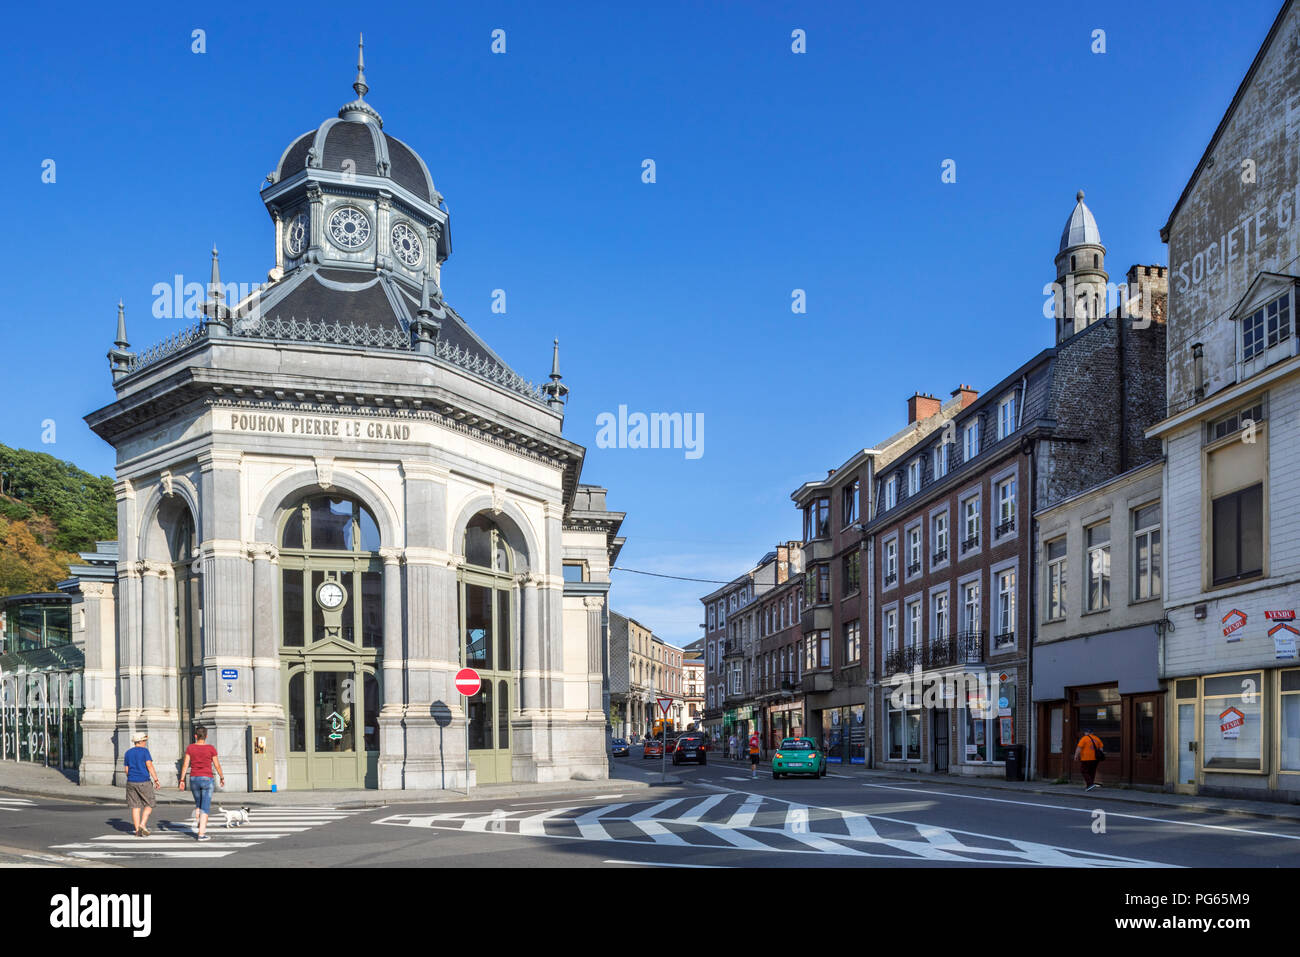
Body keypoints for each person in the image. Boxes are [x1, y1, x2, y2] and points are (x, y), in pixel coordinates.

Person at [178, 725, 225, 841]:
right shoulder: (211, 748)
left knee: (198, 804)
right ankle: (201, 834)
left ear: (195, 736)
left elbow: (185, 765)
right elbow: (217, 764)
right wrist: (222, 777)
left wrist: (182, 780)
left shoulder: (190, 748)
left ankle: (199, 821)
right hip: (207, 779)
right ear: (206, 736)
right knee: (205, 807)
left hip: (194, 778)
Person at [122, 732, 161, 837]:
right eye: (145, 741)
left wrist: (131, 777)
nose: (145, 743)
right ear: (141, 741)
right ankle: (142, 825)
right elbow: (149, 766)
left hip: (131, 781)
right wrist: (156, 780)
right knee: (149, 803)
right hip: (143, 781)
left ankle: (136, 830)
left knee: (135, 806)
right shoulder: (145, 751)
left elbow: (126, 769)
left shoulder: (128, 753)